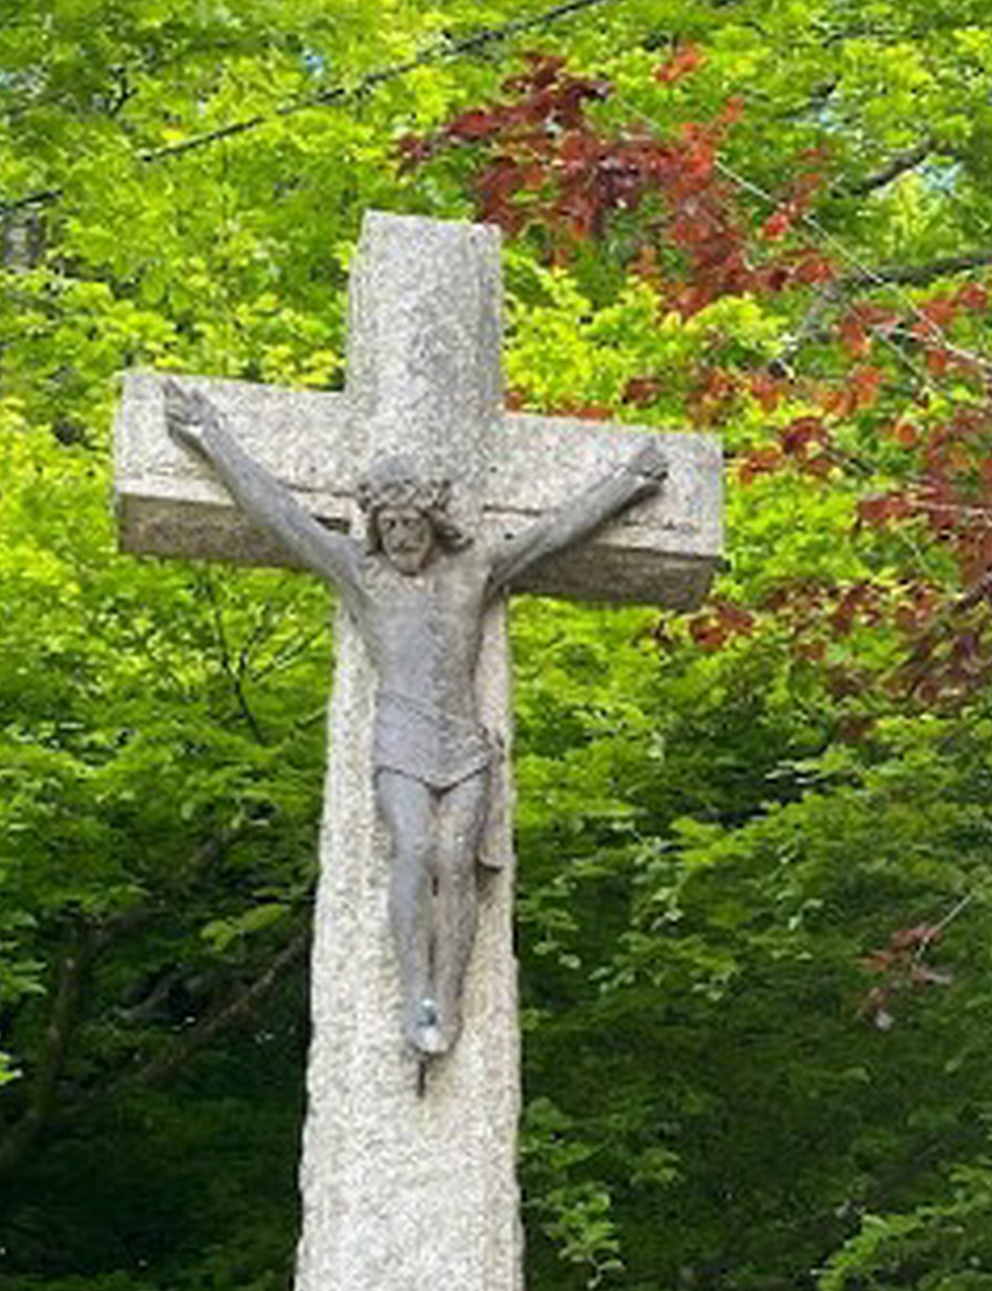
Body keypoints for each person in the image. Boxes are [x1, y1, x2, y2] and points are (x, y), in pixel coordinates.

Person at [161, 380, 668, 1057]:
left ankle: (446, 1001)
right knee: (414, 850)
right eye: (390, 526)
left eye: (412, 525)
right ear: (375, 527)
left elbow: (552, 533)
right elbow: (278, 513)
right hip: (399, 743)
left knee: (456, 859)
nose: (401, 536)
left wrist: (627, 484)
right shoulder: (358, 573)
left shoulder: (475, 570)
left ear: (433, 524)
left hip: (463, 748)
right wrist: (209, 437)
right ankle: (414, 994)